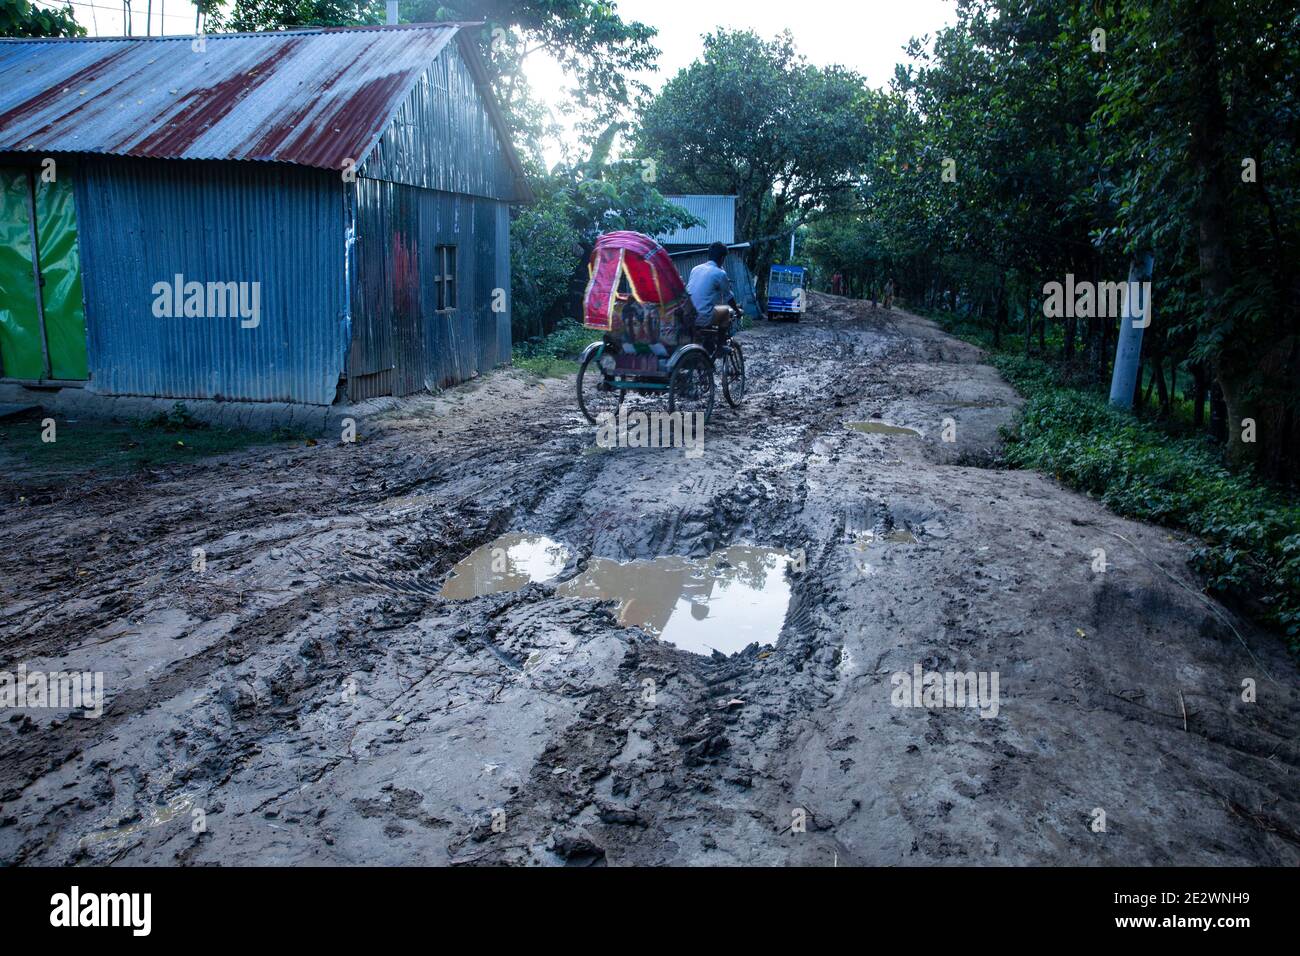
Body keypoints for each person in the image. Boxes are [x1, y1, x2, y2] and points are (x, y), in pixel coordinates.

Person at [687, 241, 739, 327]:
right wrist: (737, 311)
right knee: (726, 312)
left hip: (689, 316)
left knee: (712, 308)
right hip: (702, 318)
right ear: (722, 258)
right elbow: (729, 298)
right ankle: (721, 340)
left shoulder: (695, 269)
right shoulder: (720, 273)